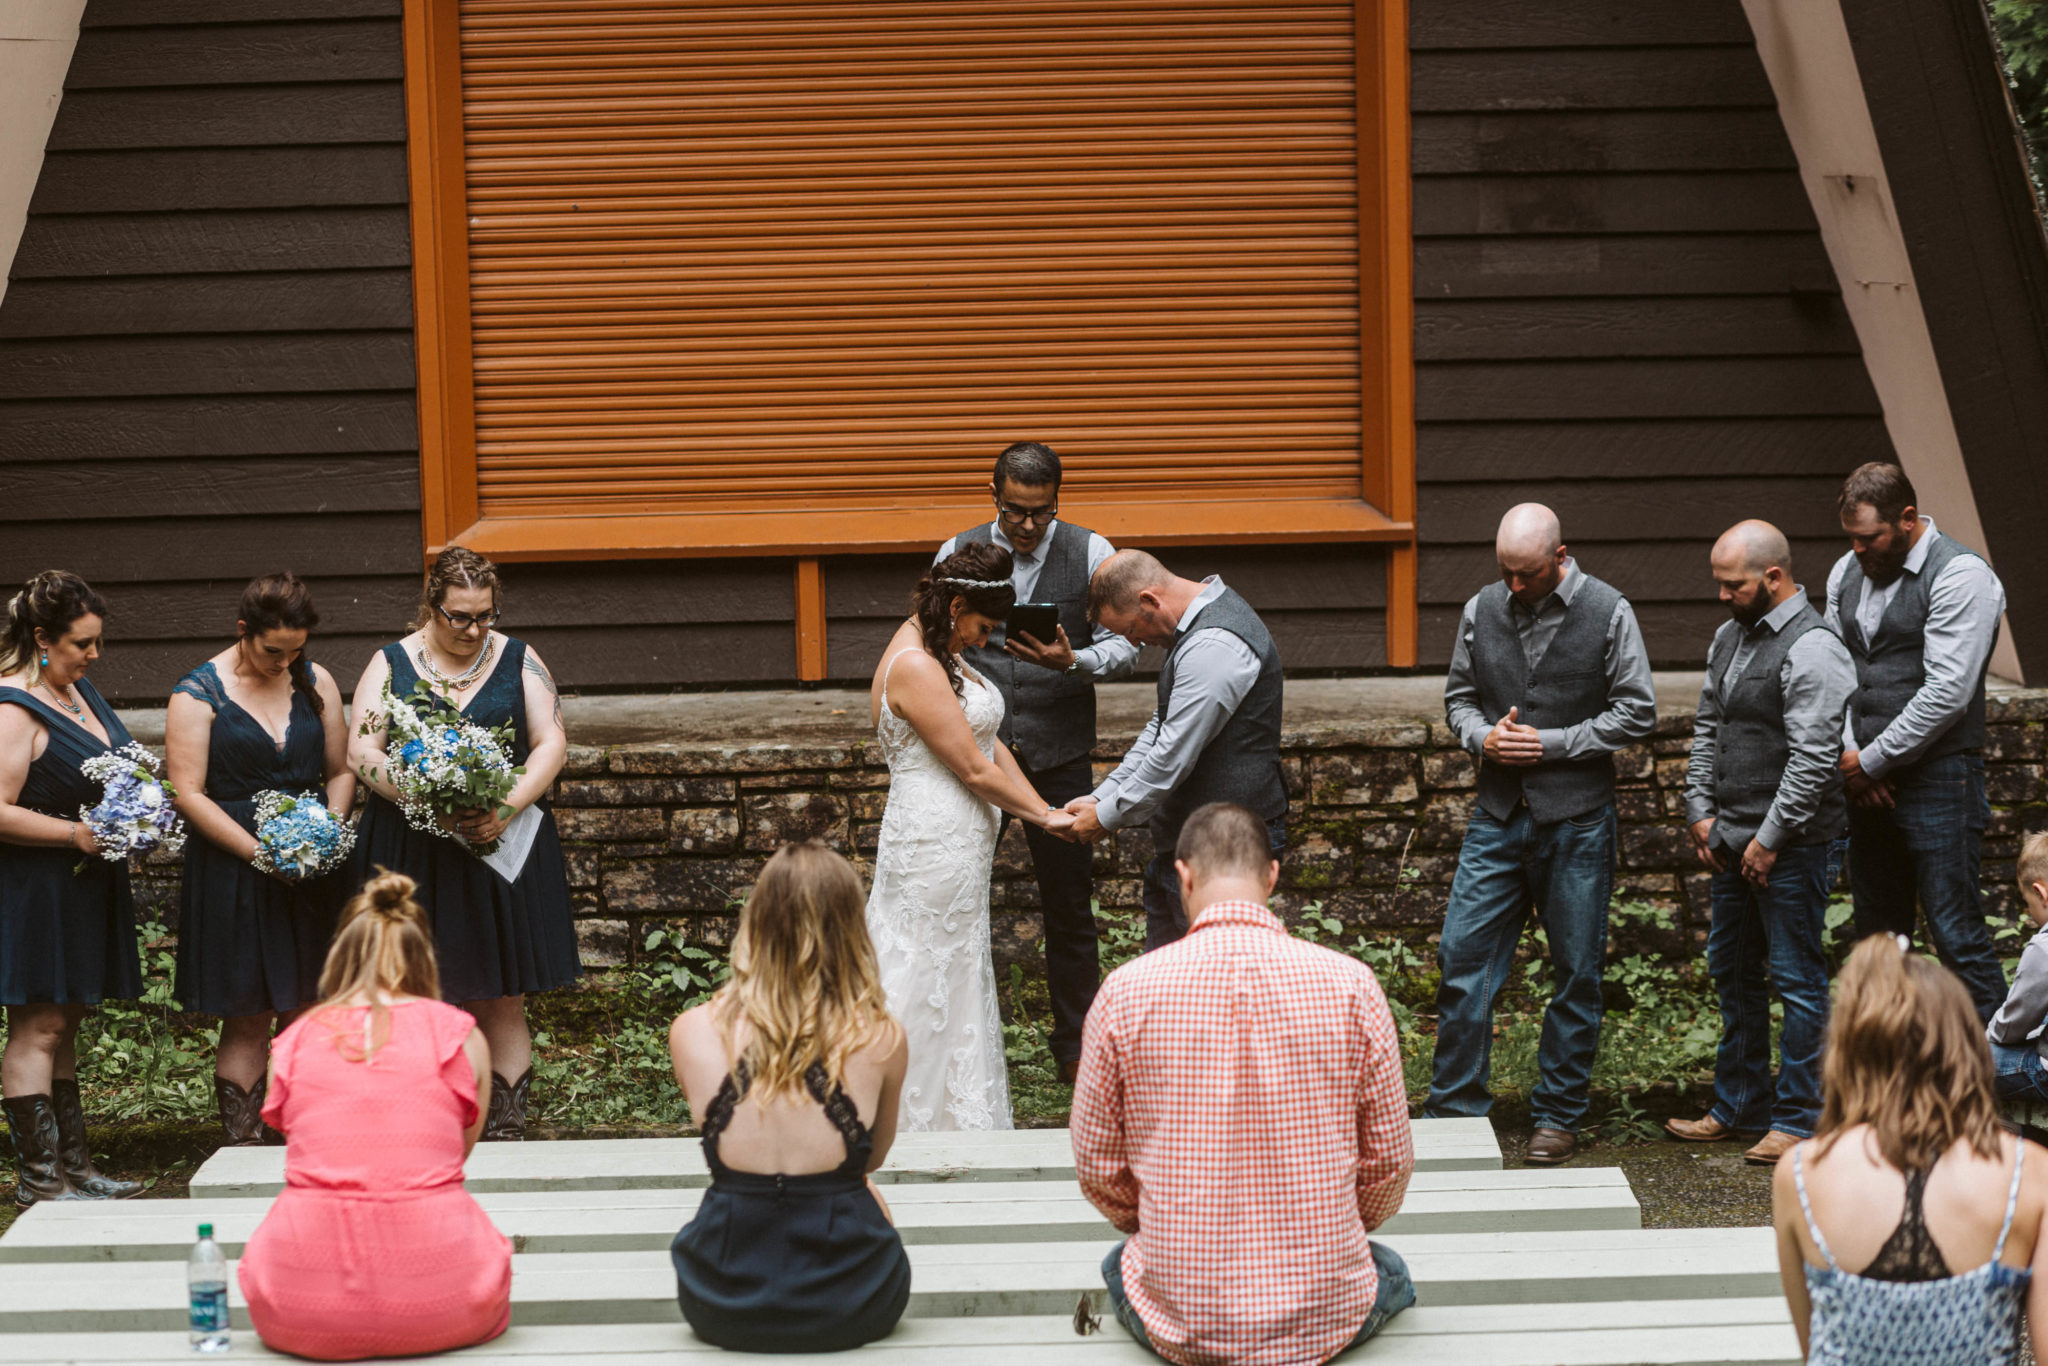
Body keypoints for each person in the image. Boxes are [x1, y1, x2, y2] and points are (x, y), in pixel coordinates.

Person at [1071, 802, 1415, 1365]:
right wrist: (1334, 1218)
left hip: (1185, 1319)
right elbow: (1389, 1163)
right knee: (1388, 1266)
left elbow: (1098, 1164)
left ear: (1183, 875)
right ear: (1272, 875)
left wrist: (1161, 1219)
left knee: (1122, 1262)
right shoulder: (1352, 986)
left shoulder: (1124, 992)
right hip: (1323, 1313)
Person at [1427, 504, 1657, 1167]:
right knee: (1461, 958)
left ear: (1561, 557)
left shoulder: (1610, 612)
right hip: (1497, 816)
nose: (1514, 588)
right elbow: (1458, 700)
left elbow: (1637, 710)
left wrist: (1551, 744)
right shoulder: (1481, 608)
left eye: (1526, 575)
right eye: (1505, 573)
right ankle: (1454, 1110)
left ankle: (1558, 1115)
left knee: (1575, 972)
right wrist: (1484, 737)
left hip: (1578, 819)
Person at [346, 547, 578, 1140]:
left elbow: (550, 740)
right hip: (411, 848)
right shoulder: (390, 663)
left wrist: (507, 805)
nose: (475, 630)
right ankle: (422, 1119)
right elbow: (362, 753)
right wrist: (426, 802)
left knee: (502, 990)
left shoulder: (520, 660)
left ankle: (504, 1124)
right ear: (431, 606)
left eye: (486, 616)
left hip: (499, 844)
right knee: (414, 988)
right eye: (460, 617)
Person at [236, 869, 511, 1361]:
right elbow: (455, 1152)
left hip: (300, 1305)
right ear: (422, 952)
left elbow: (299, 1136)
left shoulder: (295, 1040)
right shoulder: (461, 1035)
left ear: (342, 951)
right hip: (446, 1296)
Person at [934, 441, 1136, 1084]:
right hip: (974, 752)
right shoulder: (955, 550)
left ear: (1057, 501)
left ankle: (1078, 1054)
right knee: (954, 896)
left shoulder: (1093, 552)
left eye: (1041, 513)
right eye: (1016, 512)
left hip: (1059, 754)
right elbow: (933, 643)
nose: (1027, 526)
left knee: (1070, 907)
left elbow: (1127, 644)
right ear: (994, 497)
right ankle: (951, 1048)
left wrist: (1073, 662)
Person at [863, 543, 1076, 1131]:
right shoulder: (915, 666)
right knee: (918, 972)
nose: (986, 639)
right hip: (932, 846)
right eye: (981, 626)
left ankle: (954, 1114)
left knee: (954, 974)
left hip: (957, 847)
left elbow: (989, 744)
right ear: (955, 605)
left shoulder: (941, 653)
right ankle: (896, 1116)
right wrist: (1047, 821)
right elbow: (975, 770)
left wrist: (1044, 808)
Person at [669, 842, 913, 1352]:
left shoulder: (693, 1030)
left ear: (756, 919)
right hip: (855, 1297)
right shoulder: (880, 1037)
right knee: (863, 1190)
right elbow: (874, 1156)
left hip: (722, 1298)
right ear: (851, 928)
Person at [1667, 522, 1855, 1166]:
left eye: (1733, 584)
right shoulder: (1729, 636)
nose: (1722, 596)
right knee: (1733, 972)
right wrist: (1699, 811)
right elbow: (1708, 726)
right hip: (1730, 839)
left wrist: (1768, 840)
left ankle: (1800, 1119)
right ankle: (1737, 1105)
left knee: (1798, 982)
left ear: (1773, 578)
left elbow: (1812, 757)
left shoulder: (1816, 647)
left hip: (1795, 846)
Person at [1772, 936, 2048, 1363]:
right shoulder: (2027, 1170)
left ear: (1848, 1050)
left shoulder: (1801, 1171)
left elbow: (1815, 1346)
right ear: (1966, 1047)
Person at [166, 574, 355, 1146]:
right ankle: (242, 1149)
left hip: (315, 867)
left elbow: (341, 770)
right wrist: (261, 853)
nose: (285, 662)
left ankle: (304, 1140)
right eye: (275, 650)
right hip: (236, 868)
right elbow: (187, 792)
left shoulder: (315, 680)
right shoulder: (196, 695)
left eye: (296, 650)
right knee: (248, 1011)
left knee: (311, 1006)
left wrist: (328, 830)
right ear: (244, 631)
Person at [1829, 461, 2010, 1021]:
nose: (1858, 551)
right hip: (1863, 780)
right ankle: (1894, 1084)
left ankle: (2001, 1081)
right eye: (1852, 539)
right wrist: (1847, 757)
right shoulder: (1846, 571)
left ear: (1907, 519)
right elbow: (1832, 669)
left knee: (1955, 931)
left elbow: (1947, 693)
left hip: (1939, 779)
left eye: (1870, 538)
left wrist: (1871, 763)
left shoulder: (1962, 575)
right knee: (1878, 942)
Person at [0, 571, 144, 1206]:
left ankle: (75, 1170)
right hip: (36, 885)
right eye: (81, 644)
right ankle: (41, 1179)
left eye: (96, 643)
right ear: (41, 638)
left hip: (84, 883)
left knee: (66, 1023)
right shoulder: (13, 706)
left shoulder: (78, 692)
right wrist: (73, 835)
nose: (92, 655)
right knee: (38, 1025)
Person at [1064, 550, 1286, 950]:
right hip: (1189, 839)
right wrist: (1102, 795)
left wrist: (1106, 816)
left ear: (1150, 600)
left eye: (1130, 629)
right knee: (1171, 984)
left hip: (1226, 849)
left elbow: (1172, 753)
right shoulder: (1193, 633)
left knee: (1214, 980)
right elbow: (1159, 727)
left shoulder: (1216, 644)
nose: (1134, 642)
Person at [1986, 831, 2048, 1106]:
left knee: (1963, 1059)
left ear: (2040, 893)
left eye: (2029, 904)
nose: (2030, 913)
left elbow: (2011, 1027)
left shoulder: (2044, 948)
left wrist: (1988, 1036)